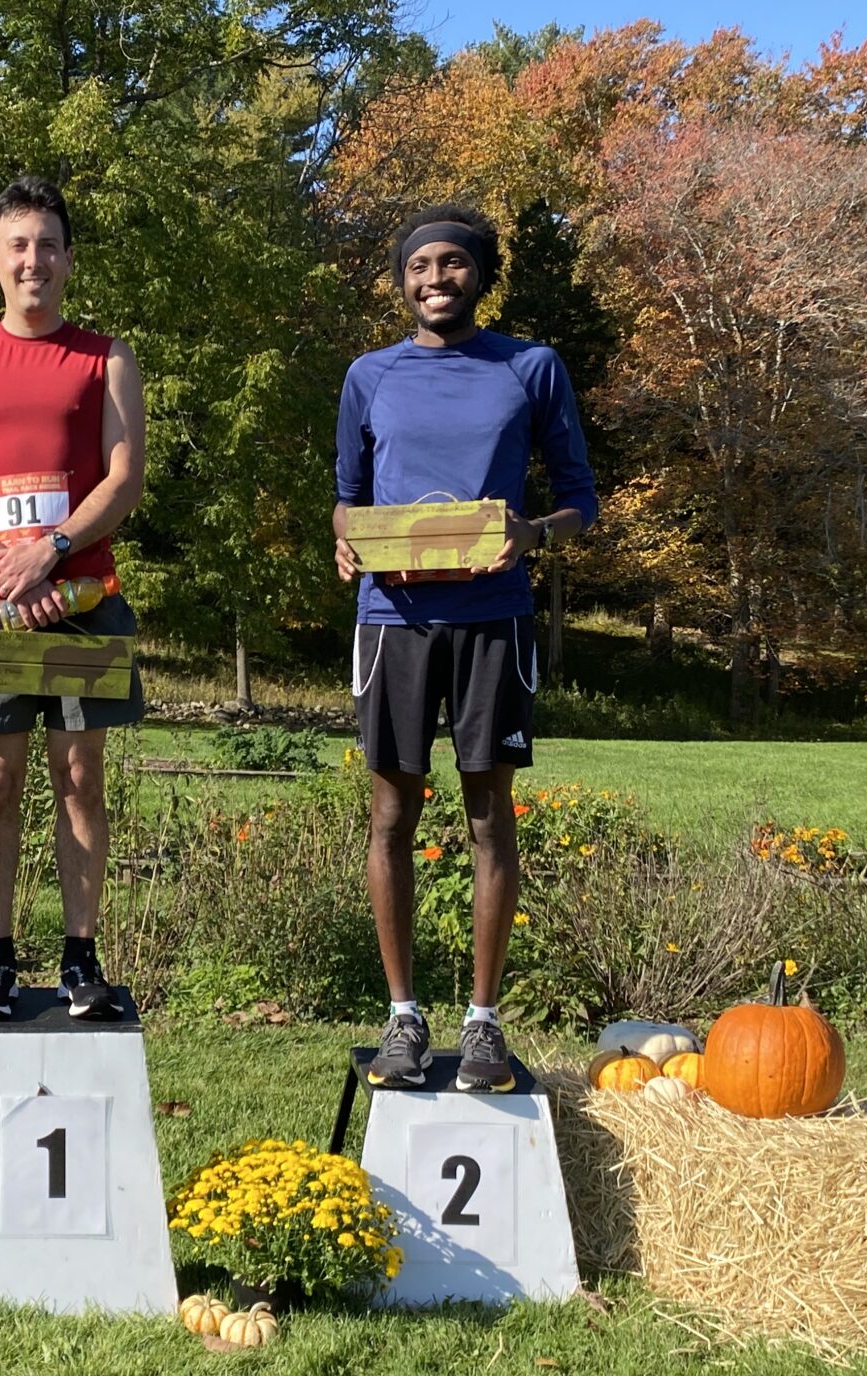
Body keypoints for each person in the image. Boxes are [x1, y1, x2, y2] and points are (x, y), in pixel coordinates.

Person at [332, 205, 598, 1092]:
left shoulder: (531, 368)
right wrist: (342, 538)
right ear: (401, 280)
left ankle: (482, 1024)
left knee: (489, 817)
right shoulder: (370, 376)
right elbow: (348, 497)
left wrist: (532, 536)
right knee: (391, 817)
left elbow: (578, 501)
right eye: (419, 267)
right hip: (393, 622)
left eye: (452, 264)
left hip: (494, 621)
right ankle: (403, 1019)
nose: (434, 279)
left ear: (480, 276)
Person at [0, 176, 146, 1021]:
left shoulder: (106, 357)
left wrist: (48, 552)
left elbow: (125, 479)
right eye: (18, 245)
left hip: (82, 596)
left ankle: (82, 959)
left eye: (47, 244)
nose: (33, 260)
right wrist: (3, 564)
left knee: (81, 778)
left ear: (68, 260)